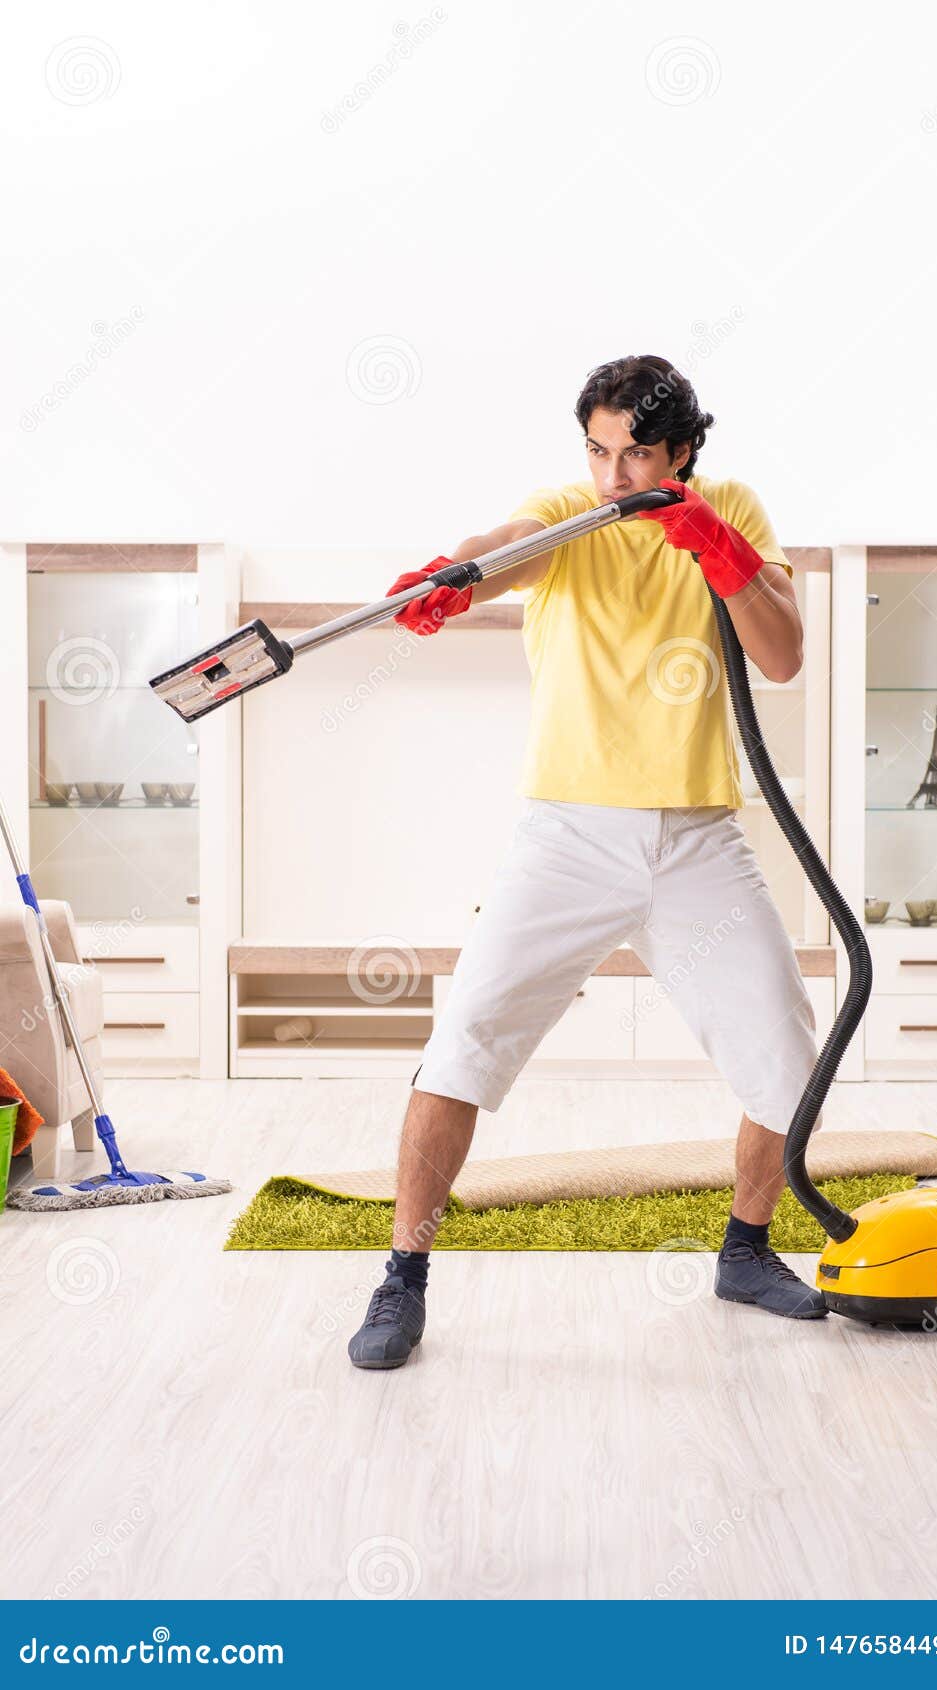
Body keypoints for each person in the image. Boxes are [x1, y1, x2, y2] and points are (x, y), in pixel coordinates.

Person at [349, 352, 826, 1370]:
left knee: (788, 1054)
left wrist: (713, 545)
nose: (614, 478)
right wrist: (452, 578)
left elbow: (783, 654)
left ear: (684, 451)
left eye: (637, 454)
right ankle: (403, 1279)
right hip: (566, 835)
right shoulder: (571, 513)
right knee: (466, 1039)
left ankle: (745, 1251)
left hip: (697, 833)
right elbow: (508, 546)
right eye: (599, 451)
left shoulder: (731, 506)